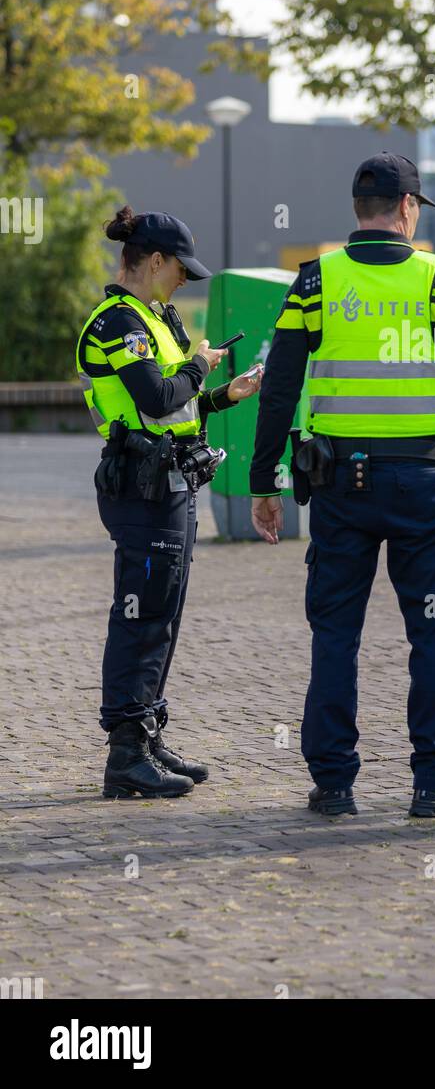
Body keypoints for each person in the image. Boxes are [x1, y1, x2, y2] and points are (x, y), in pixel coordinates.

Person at [249, 152, 435, 817]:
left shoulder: (317, 280)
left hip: (339, 484)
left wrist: (264, 481)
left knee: (336, 632)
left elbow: (279, 386)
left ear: (359, 209)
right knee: (433, 629)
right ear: (407, 208)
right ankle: (433, 782)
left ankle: (334, 784)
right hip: (422, 484)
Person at [76, 207, 262, 799]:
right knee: (140, 615)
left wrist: (223, 395)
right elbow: (155, 399)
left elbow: (180, 411)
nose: (186, 280)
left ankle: (148, 731)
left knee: (164, 613)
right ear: (153, 261)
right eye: (181, 269)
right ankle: (125, 753)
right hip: (140, 489)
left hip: (172, 484)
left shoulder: (156, 318)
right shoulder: (116, 324)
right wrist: (199, 365)